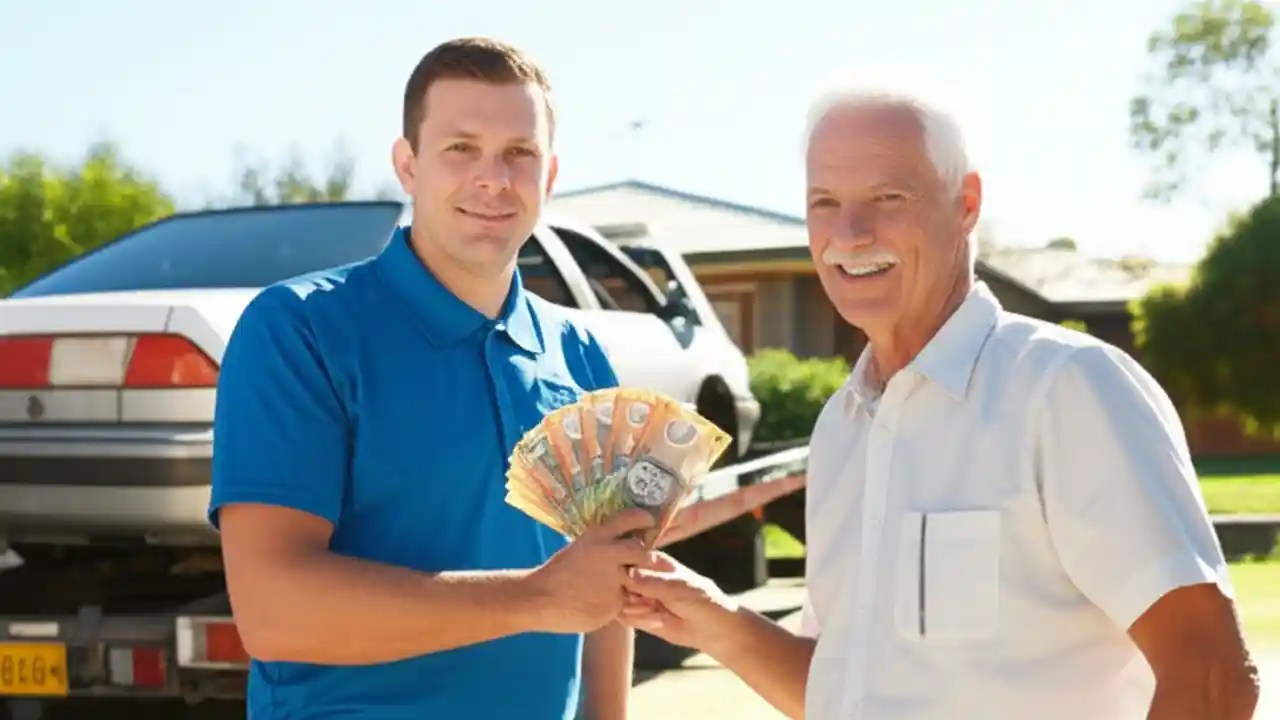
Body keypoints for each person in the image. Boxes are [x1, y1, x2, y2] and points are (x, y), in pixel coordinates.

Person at [620, 72, 1262, 719]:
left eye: (887, 197)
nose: (850, 234)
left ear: (966, 202)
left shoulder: (1067, 391)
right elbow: (845, 691)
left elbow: (1210, 678)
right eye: (824, 202)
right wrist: (716, 620)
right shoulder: (841, 428)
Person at [209, 37, 654, 719]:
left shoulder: (580, 353)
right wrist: (537, 598)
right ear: (407, 165)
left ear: (550, 175)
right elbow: (275, 612)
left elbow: (603, 589)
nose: (493, 178)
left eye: (519, 154)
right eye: (461, 149)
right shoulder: (300, 331)